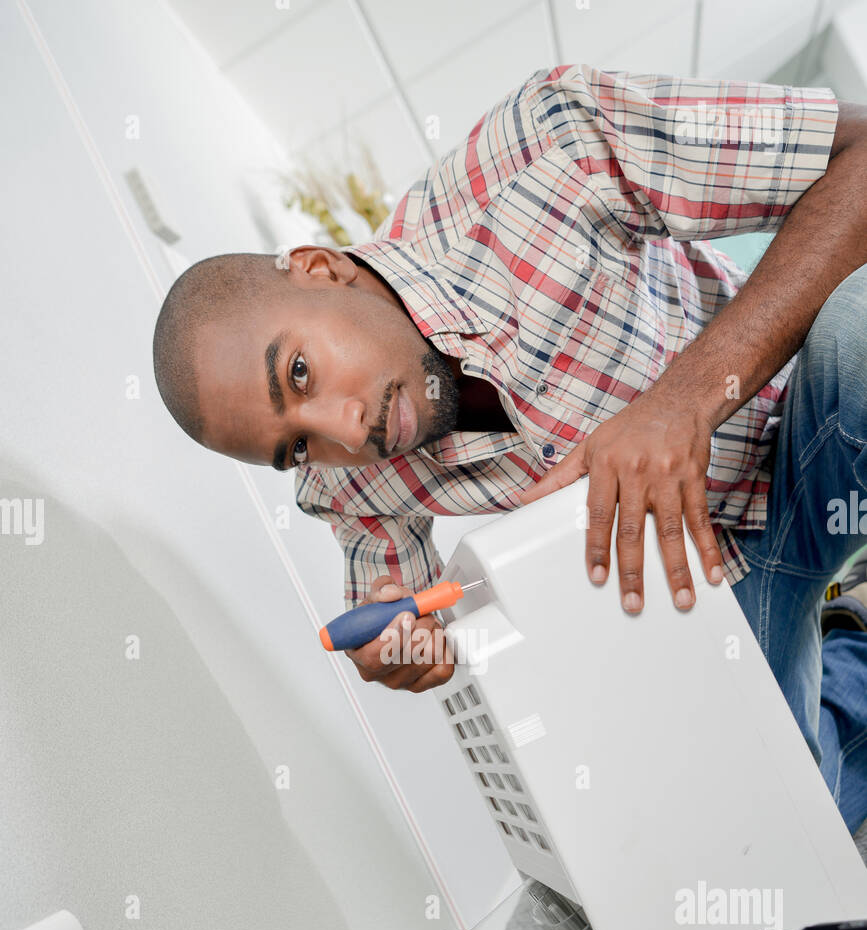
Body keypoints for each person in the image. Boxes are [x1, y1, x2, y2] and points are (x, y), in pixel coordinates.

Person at [152, 64, 867, 831]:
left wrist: (682, 402)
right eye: (295, 447)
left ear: (321, 269)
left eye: (299, 372)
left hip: (809, 421)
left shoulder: (544, 146)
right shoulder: (345, 481)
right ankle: (853, 643)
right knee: (797, 816)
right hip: (719, 567)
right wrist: (399, 646)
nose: (342, 428)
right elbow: (391, 607)